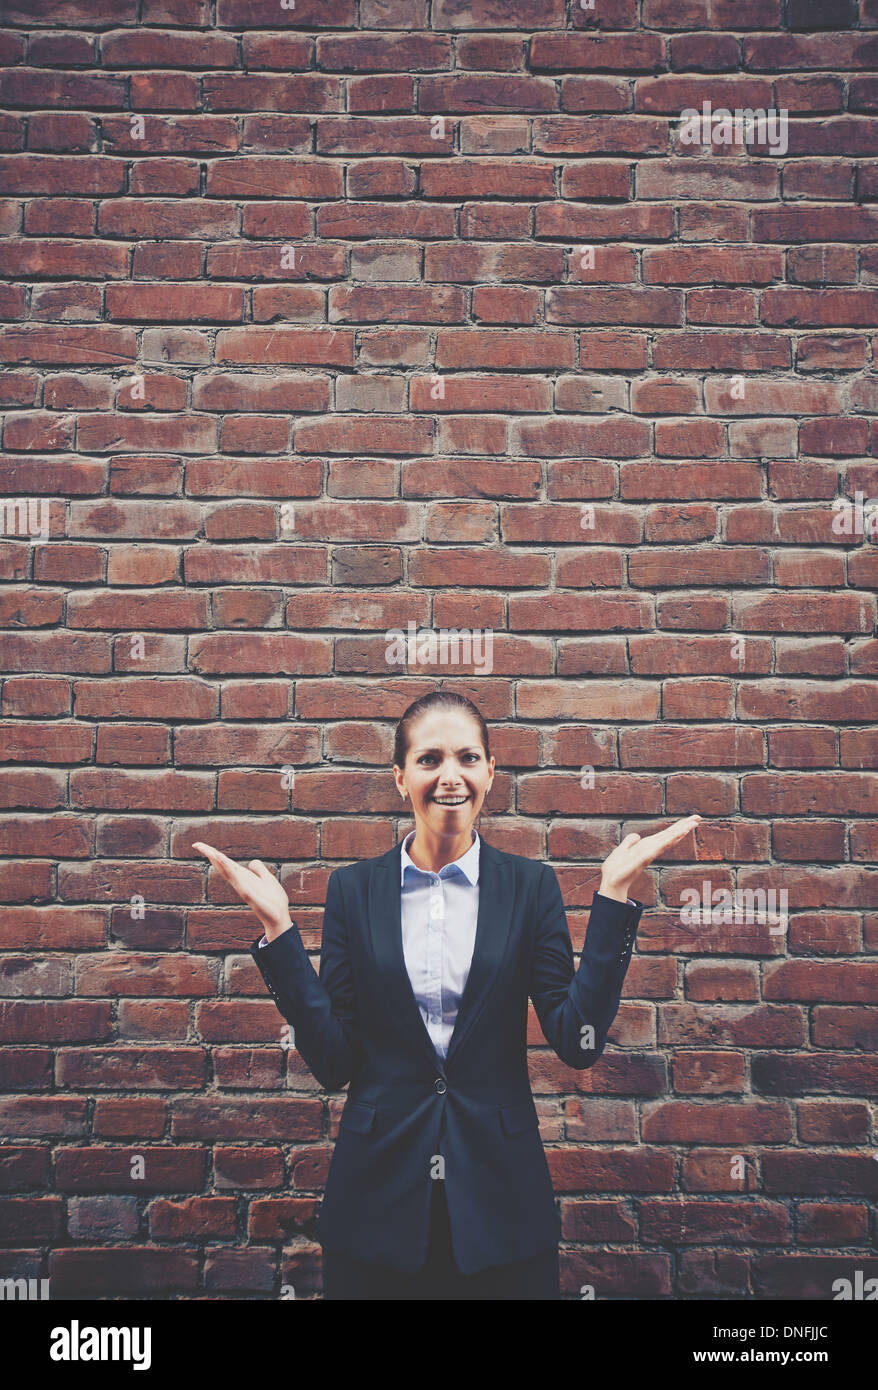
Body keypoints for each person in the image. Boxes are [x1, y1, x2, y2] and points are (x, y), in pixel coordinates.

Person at [193, 691, 701, 1300]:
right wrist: (280, 935)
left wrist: (614, 898)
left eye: (467, 757)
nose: (450, 776)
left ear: (490, 772)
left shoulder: (529, 887)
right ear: (400, 778)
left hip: (501, 1205)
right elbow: (333, 1062)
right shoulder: (353, 891)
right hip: (377, 1205)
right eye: (429, 760)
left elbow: (577, 1041)